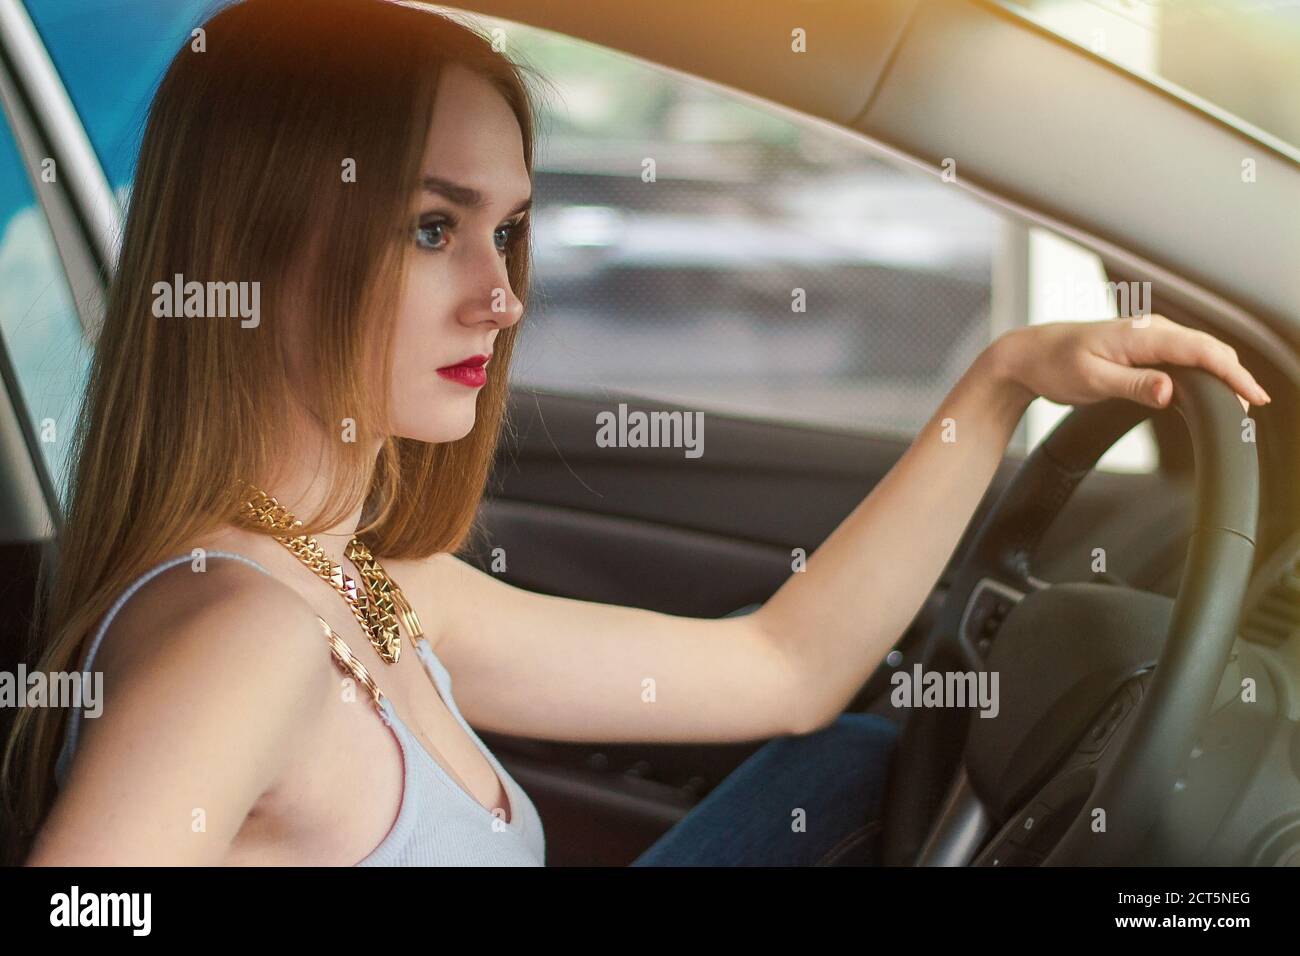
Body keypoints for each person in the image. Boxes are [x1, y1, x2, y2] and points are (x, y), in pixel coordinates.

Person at [3, 0, 1270, 867]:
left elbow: (784, 666)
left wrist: (1001, 384)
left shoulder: (378, 592)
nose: (500, 297)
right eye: (432, 227)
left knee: (850, 757)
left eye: (505, 231)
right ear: (257, 244)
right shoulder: (243, 638)